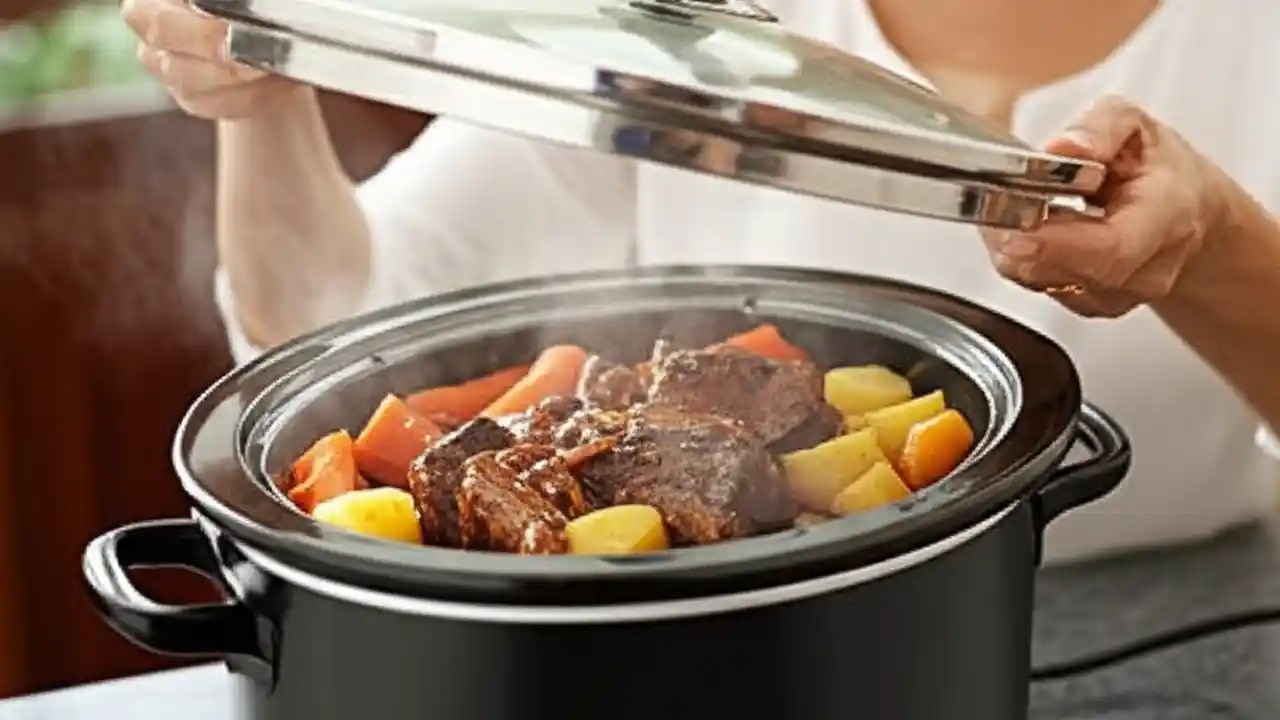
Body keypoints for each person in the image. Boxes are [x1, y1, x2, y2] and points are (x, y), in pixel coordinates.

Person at [123, 0, 1280, 564]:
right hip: (757, 649)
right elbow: (329, 323)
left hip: (1208, 624)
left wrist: (1214, 240)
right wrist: (260, 89)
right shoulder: (681, 31)